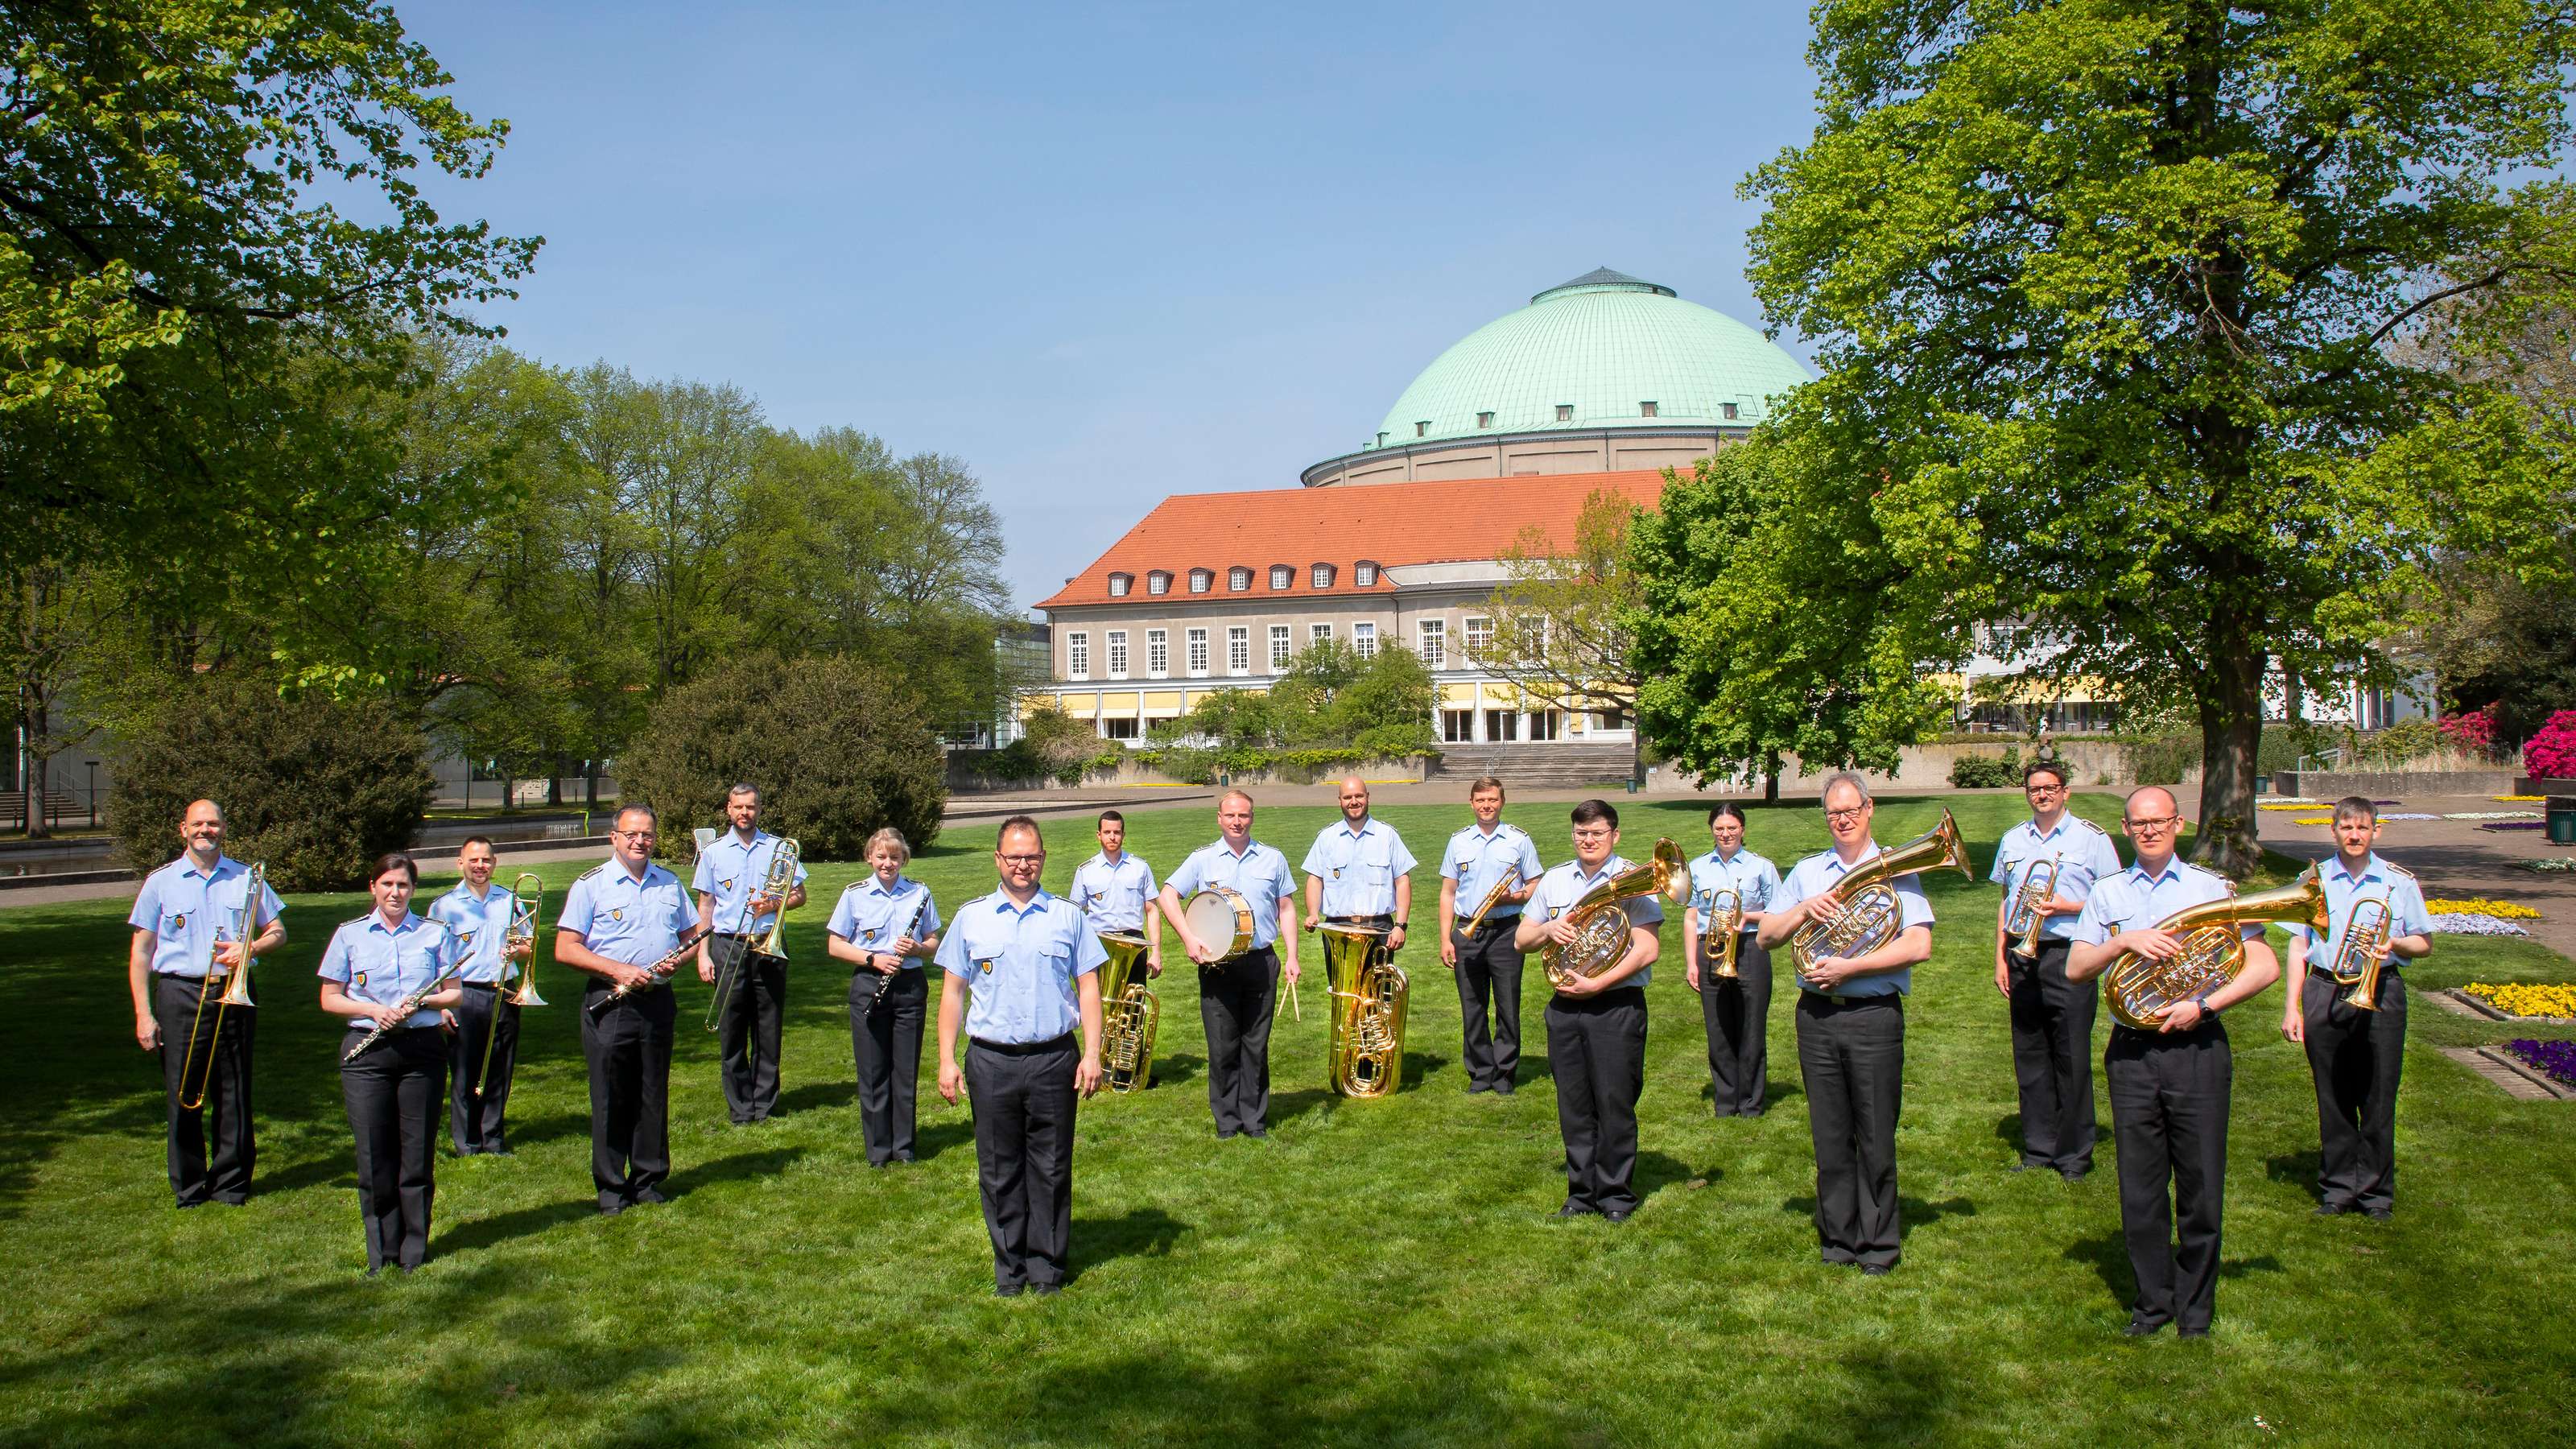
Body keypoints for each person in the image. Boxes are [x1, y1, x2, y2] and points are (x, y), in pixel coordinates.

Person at [2065, 786, 2278, 1337]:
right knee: (2140, 1186)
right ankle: (2152, 1304)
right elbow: (2076, 967)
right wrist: (2123, 943)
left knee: (2201, 1183)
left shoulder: (2213, 890)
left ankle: (2196, 1312)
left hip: (2197, 1048)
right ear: (2126, 828)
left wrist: (2203, 1003)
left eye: (2159, 821)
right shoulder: (2108, 894)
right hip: (2132, 1053)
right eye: (2139, 824)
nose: (2150, 830)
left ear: (2178, 823)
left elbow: (2263, 965)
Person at [1758, 773, 1935, 1275]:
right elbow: (1766, 937)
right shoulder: (1809, 872)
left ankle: (1878, 1244)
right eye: (1834, 812)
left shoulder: (1895, 870)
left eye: (1851, 810)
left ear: (1869, 807)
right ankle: (1838, 1237)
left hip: (1872, 1016)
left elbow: (1918, 945)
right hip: (1816, 1017)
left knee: (1876, 1132)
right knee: (1829, 1132)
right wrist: (1801, 910)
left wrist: (1850, 966)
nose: (1843, 819)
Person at [933, 816, 1106, 1296]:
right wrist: (947, 1059)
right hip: (991, 1061)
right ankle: (1009, 1268)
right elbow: (953, 994)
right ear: (998, 860)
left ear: (1043, 858)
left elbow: (1089, 988)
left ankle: (1047, 1268)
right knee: (998, 1167)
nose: (1023, 865)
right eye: (1014, 857)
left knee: (1051, 1168)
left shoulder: (1068, 916)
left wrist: (1092, 1053)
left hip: (1054, 1059)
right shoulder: (971, 917)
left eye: (1032, 856)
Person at [126, 799, 286, 1208]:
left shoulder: (246, 877)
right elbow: (142, 952)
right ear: (183, 829)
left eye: (213, 824)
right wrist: (144, 1015)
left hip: (234, 990)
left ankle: (231, 1183)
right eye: (198, 824)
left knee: (234, 1090)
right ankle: (190, 1184)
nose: (205, 830)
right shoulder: (160, 882)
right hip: (179, 993)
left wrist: (249, 948)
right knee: (184, 1091)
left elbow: (278, 932)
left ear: (224, 828)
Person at [2281, 796, 2432, 1220]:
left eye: (2363, 828)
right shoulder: (2313, 881)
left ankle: (2376, 1193)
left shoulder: (2397, 882)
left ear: (2375, 832)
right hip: (2325, 989)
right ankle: (2338, 1188)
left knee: (2380, 1095)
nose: (2354, 835)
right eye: (2346, 828)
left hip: (2381, 991)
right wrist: (2292, 1006)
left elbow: (2424, 942)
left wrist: (2396, 944)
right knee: (2333, 1094)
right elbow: (2298, 944)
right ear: (2334, 831)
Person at [318, 853, 464, 1276]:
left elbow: (453, 994)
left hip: (421, 1050)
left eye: (403, 885)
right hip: (368, 1052)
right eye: (387, 885)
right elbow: (329, 997)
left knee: (416, 1154)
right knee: (374, 1154)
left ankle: (413, 1252)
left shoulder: (435, 933)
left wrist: (421, 1001)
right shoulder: (349, 936)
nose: (395, 893)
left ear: (413, 890)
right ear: (373, 887)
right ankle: (381, 1252)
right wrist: (373, 1009)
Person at [1517, 799, 1662, 1221]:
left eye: (1598, 833)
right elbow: (1521, 940)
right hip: (1565, 1008)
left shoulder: (1633, 877)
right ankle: (1580, 1194)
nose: (1589, 840)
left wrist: (1598, 981)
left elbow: (1648, 947)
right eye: (1582, 833)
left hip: (1615, 1005)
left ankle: (1616, 1195)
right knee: (1574, 1103)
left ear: (1614, 835)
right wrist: (1547, 929)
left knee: (1615, 1101)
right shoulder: (1557, 880)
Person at [554, 806, 698, 1215]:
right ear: (614, 837)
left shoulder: (669, 884)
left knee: (652, 1093)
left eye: (647, 835)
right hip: (609, 1002)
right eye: (631, 834)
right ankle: (611, 1187)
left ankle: (649, 1180)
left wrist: (679, 959)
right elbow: (565, 949)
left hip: (657, 1001)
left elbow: (690, 938)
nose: (640, 841)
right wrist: (619, 969)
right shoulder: (591, 886)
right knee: (612, 1096)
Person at [1989, 759, 2124, 1179]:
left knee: (2070, 1054)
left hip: (2070, 953)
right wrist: (2000, 957)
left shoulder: (2093, 839)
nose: (2042, 794)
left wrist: (2068, 906)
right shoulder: (2013, 840)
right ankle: (2038, 1149)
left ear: (2066, 791)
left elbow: (2116, 900)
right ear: (2027, 793)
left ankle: (2074, 1155)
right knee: (2029, 1053)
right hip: (2023, 951)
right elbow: (2007, 901)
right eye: (2034, 788)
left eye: (2050, 787)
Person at [1158, 790, 1302, 1138]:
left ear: (1252, 817)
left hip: (1260, 962)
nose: (1238, 822)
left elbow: (1286, 907)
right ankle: (1227, 1121)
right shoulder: (1203, 859)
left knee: (1256, 1044)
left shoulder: (1272, 858)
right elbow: (1167, 896)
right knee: (1222, 1046)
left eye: (1244, 815)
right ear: (1219, 818)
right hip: (1217, 968)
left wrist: (1293, 955)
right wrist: (1189, 939)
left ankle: (1254, 1120)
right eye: (1231, 816)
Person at [692, 784, 809, 1125]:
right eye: (739, 807)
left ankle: (765, 1104)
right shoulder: (713, 853)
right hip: (727, 943)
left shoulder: (779, 848)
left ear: (760, 809)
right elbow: (706, 905)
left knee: (768, 1026)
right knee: (731, 1026)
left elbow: (800, 896)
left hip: (768, 942)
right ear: (728, 809)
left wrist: (773, 904)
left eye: (751, 807)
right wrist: (703, 954)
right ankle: (740, 1107)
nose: (745, 813)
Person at [826, 828, 943, 1166]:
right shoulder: (854, 895)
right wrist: (872, 958)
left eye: (894, 857)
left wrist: (919, 947)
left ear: (903, 859)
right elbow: (835, 944)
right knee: (873, 1069)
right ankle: (878, 1149)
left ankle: (904, 1148)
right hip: (869, 982)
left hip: (908, 985)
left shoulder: (920, 893)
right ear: (869, 858)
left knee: (905, 1070)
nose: (887, 863)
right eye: (881, 857)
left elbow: (934, 941)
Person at [426, 837, 533, 1156]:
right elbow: (430, 959)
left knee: (501, 1065)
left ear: (494, 863)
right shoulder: (444, 906)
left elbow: (529, 945)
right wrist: (439, 1003)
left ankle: (493, 1137)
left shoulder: (511, 900)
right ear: (461, 863)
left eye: (486, 860)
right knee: (464, 1067)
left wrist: (519, 949)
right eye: (473, 860)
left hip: (505, 990)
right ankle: (467, 1141)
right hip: (465, 994)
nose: (480, 866)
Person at [1437, 777, 1542, 1095]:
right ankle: (1481, 1072)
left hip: (1507, 930)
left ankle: (1504, 1074)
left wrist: (1515, 897)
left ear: (1502, 802)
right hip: (1467, 931)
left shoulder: (1519, 840)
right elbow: (1448, 892)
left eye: (1493, 800)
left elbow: (1537, 884)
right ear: (1471, 803)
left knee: (1508, 1006)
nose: (1487, 806)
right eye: (1481, 800)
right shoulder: (1458, 842)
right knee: (1472, 1007)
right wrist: (1446, 938)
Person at [1683, 803, 1781, 1118]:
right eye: (1719, 828)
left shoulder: (1761, 867)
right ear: (1712, 830)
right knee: (1718, 1028)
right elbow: (1691, 916)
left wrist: (1747, 916)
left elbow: (1779, 913)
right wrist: (1691, 963)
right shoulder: (1698, 868)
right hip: (1710, 948)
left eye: (1732, 828)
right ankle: (1726, 1100)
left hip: (1750, 948)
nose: (1726, 834)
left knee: (1752, 1026)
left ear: (1743, 829)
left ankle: (1751, 1101)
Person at [1071, 810, 1162, 977]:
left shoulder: (1140, 867)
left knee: (1134, 1001)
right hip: (1100, 943)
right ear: (1099, 835)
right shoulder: (1086, 871)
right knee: (1099, 1001)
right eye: (1107, 832)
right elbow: (1075, 915)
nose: (1112, 837)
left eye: (1117, 832)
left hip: (1134, 943)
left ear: (1123, 835)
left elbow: (1152, 910)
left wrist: (1156, 953)